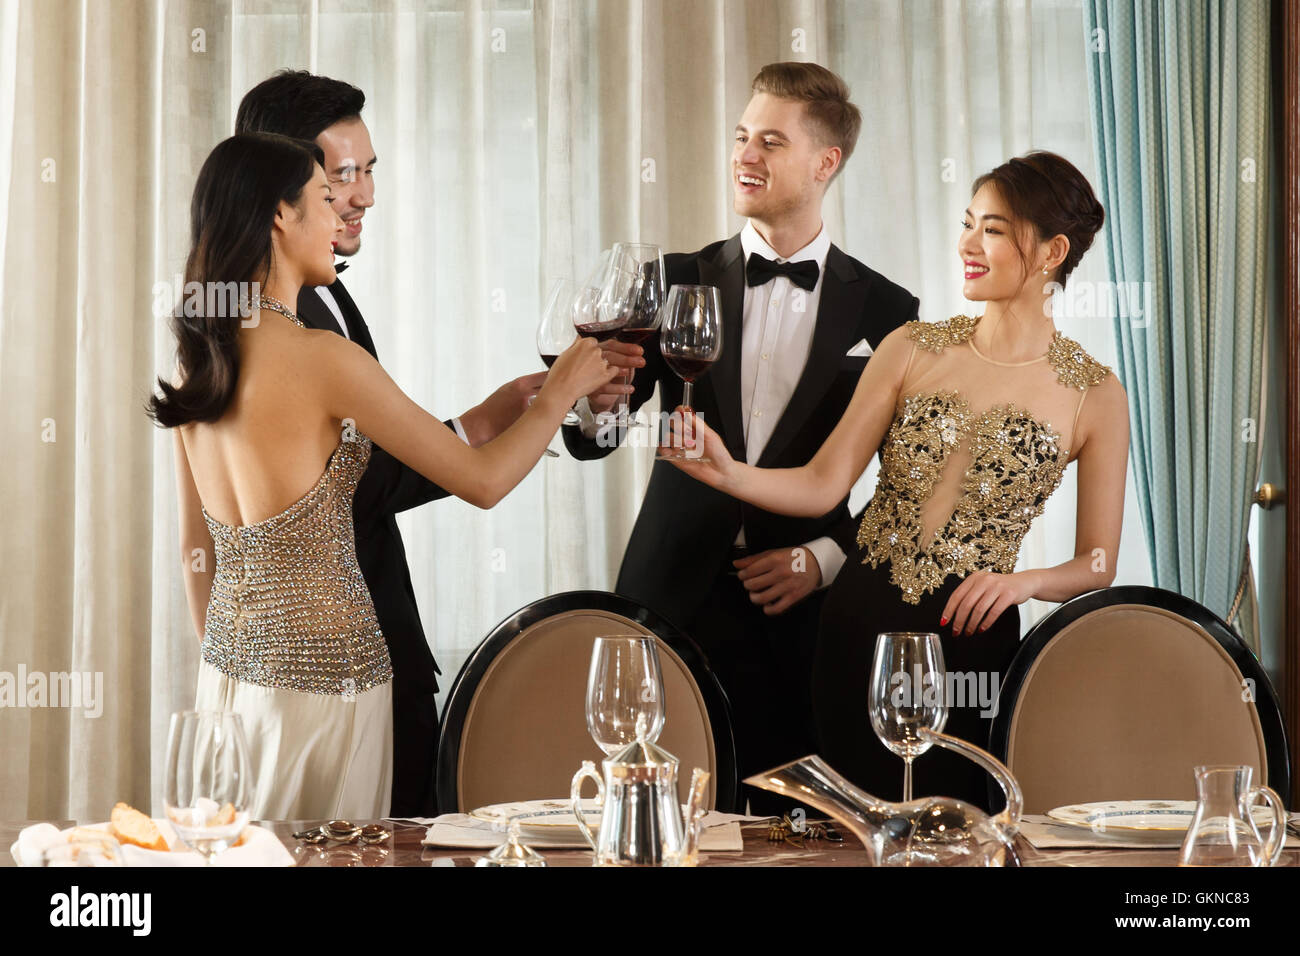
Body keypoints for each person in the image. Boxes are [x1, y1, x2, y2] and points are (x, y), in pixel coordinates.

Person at [148, 133, 615, 820]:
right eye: (323, 198)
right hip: (330, 682)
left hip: (227, 680)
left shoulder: (202, 363)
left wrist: (237, 660)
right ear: (280, 216)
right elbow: (482, 483)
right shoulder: (322, 358)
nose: (340, 218)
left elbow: (199, 557)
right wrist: (556, 396)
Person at [663, 150, 1130, 812]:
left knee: (960, 830)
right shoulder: (911, 347)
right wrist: (731, 473)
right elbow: (825, 485)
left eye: (992, 230)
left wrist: (1024, 582)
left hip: (972, 642)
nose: (967, 243)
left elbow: (1098, 562)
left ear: (1052, 251)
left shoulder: (1095, 394)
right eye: (968, 223)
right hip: (859, 625)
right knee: (848, 833)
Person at [565, 62, 918, 813]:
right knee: (657, 820)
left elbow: (908, 489)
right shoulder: (671, 277)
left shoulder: (890, 310)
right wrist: (596, 404)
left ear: (827, 163)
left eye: (770, 141)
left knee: (797, 831)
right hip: (669, 595)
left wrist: (822, 560)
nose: (745, 156)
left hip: (802, 617)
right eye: (740, 137)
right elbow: (597, 436)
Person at [233, 71, 548, 816]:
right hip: (345, 667)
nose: (366, 195)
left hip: (268, 672)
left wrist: (492, 412)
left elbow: (350, 476)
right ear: (285, 192)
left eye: (370, 170)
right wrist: (558, 394)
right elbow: (426, 487)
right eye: (343, 176)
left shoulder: (230, 332)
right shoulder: (302, 330)